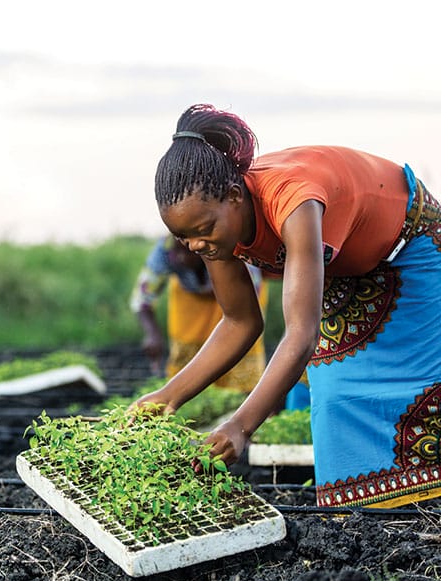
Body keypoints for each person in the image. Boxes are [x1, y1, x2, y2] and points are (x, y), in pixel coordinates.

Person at [131, 103, 441, 508]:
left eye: (203, 231)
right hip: (348, 268)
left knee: (424, 389)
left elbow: (301, 332)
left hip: (409, 247)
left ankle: (424, 513)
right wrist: (167, 397)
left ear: (234, 196)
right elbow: (240, 322)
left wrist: (241, 426)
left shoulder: (294, 202)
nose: (196, 246)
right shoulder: (211, 232)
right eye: (184, 237)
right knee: (333, 394)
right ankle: (360, 522)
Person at [129, 233, 267, 392]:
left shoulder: (230, 249)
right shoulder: (165, 248)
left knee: (238, 357)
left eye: (188, 252)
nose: (182, 258)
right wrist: (152, 333)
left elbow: (245, 317)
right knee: (188, 375)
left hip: (235, 301)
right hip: (190, 308)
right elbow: (142, 297)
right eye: (179, 251)